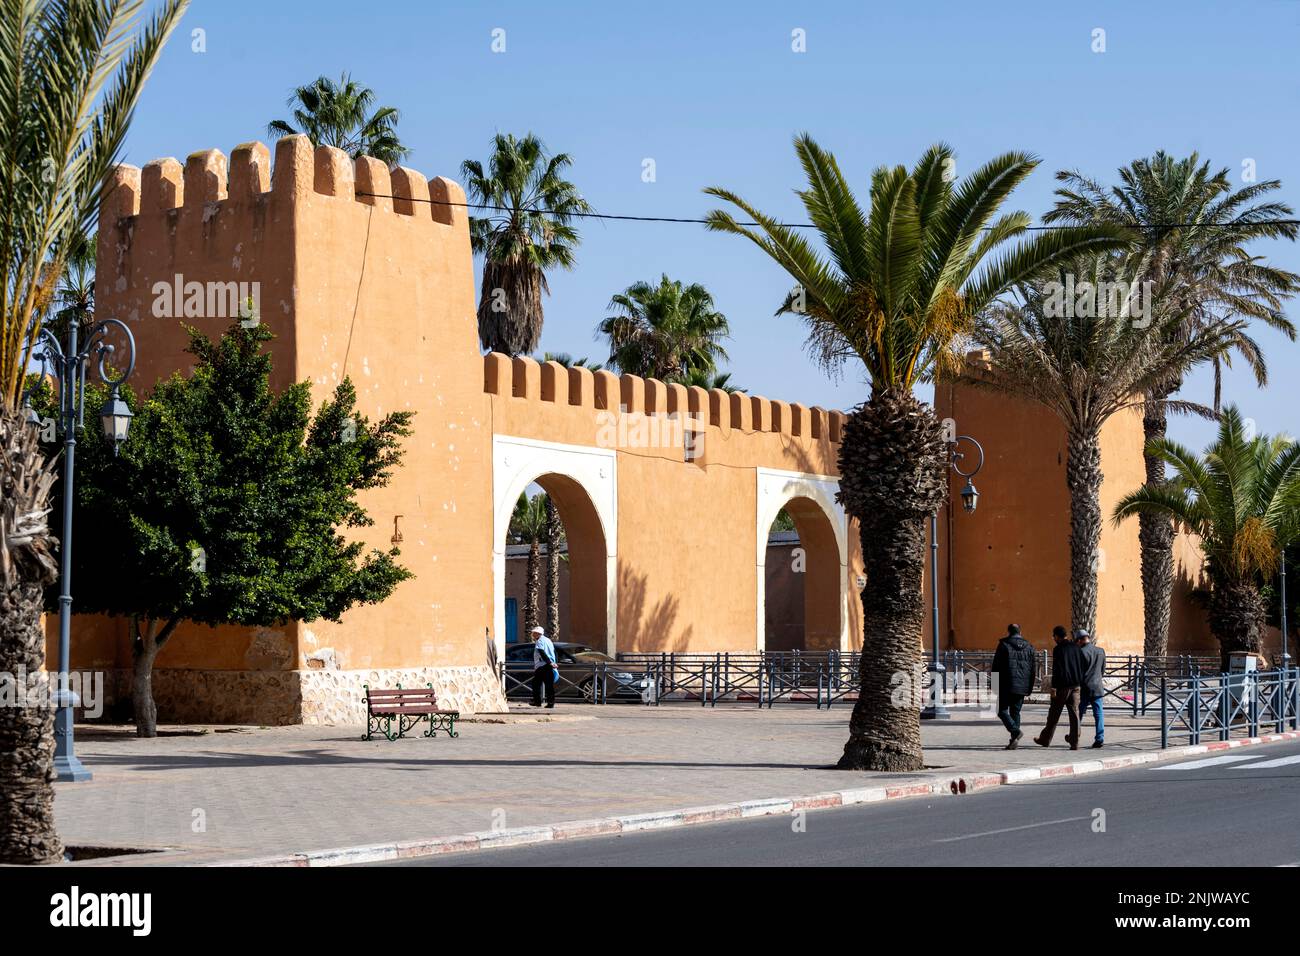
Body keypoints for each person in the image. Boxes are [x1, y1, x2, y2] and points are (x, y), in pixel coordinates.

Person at [1035, 625, 1086, 750]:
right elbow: (1083, 665)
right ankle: (1075, 742)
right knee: (1074, 714)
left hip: (1063, 686)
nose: (1054, 638)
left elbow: (1058, 670)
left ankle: (1045, 739)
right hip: (1076, 686)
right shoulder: (1076, 647)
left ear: (1057, 636)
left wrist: (1054, 687)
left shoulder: (1058, 649)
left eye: (1054, 636)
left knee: (1054, 713)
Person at [991, 623, 1037, 749]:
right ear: (1020, 632)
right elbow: (1033, 669)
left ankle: (1015, 731)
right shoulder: (1029, 647)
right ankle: (1014, 740)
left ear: (1008, 632)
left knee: (1001, 710)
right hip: (1022, 685)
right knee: (1015, 712)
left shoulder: (1004, 645)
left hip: (1006, 684)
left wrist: (994, 686)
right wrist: (1030, 687)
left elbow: (996, 666)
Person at [1076, 629, 1106, 749]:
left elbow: (1078, 672)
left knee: (1079, 713)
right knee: (1098, 714)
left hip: (1084, 687)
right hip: (1097, 686)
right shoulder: (1100, 651)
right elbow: (1103, 669)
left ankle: (1075, 736)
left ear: (1079, 640)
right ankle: (1100, 738)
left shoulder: (1081, 652)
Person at [529, 625, 558, 708]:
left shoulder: (539, 641)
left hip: (542, 666)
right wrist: (554, 662)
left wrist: (549, 662)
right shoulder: (548, 640)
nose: (533, 635)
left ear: (538, 633)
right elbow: (554, 651)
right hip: (549, 665)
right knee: (549, 685)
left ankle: (537, 701)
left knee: (536, 684)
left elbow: (542, 652)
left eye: (534, 633)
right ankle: (551, 703)